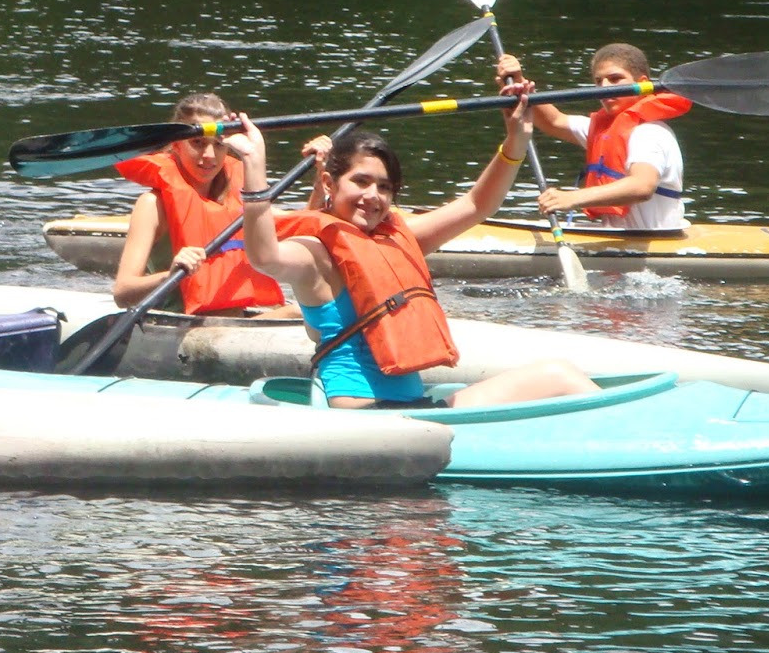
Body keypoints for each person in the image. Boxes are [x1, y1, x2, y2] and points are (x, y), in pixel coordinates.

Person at [235, 83, 601, 409]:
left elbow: (476, 205)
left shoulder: (397, 236)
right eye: (360, 181)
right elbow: (265, 256)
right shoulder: (315, 252)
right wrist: (255, 168)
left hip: (413, 406)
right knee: (560, 377)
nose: (373, 196)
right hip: (364, 416)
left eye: (384, 187)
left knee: (560, 374)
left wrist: (516, 139)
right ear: (329, 183)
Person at [111, 92, 311, 318]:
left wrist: (321, 174)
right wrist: (171, 274)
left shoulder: (238, 198)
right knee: (297, 313)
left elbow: (303, 232)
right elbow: (122, 293)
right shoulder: (152, 205)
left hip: (233, 320)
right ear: (176, 144)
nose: (209, 155)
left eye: (218, 144)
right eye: (197, 142)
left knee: (307, 309)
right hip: (176, 322)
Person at [495, 45, 689, 231]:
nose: (604, 88)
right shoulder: (604, 130)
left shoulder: (649, 133)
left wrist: (572, 198)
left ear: (642, 83)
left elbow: (642, 186)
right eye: (599, 81)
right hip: (619, 236)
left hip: (654, 239)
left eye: (615, 79)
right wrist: (520, 83)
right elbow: (553, 121)